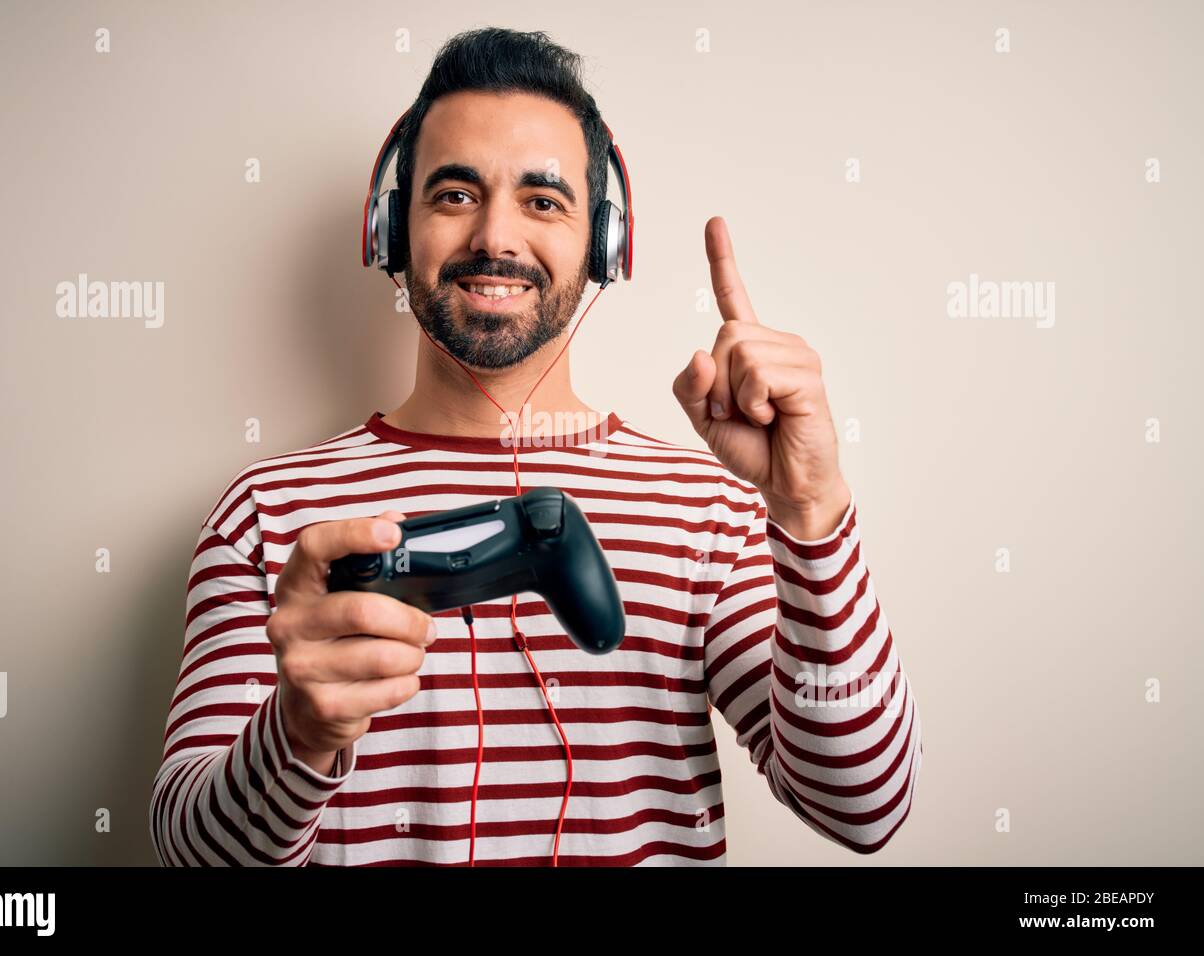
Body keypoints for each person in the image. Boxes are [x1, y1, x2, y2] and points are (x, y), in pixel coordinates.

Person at [150, 27, 922, 866]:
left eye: (543, 199)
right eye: (453, 194)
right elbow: (191, 856)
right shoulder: (265, 515)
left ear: (605, 242)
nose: (495, 237)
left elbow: (865, 806)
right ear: (389, 230)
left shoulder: (711, 511)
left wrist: (809, 503)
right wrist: (295, 738)